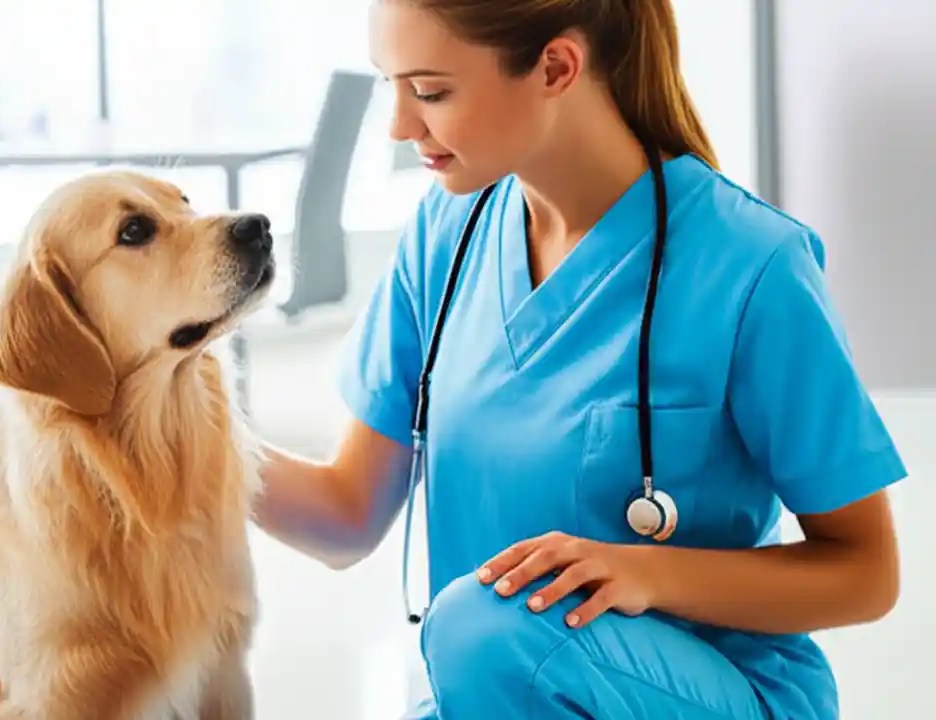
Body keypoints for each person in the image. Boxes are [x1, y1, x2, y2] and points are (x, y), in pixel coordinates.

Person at [254, 0, 908, 718]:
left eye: (431, 91)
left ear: (557, 67)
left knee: (480, 627)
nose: (399, 127)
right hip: (503, 690)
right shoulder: (445, 236)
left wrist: (644, 572)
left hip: (712, 692)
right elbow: (347, 515)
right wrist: (168, 434)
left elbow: (864, 573)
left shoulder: (751, 265)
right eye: (392, 86)